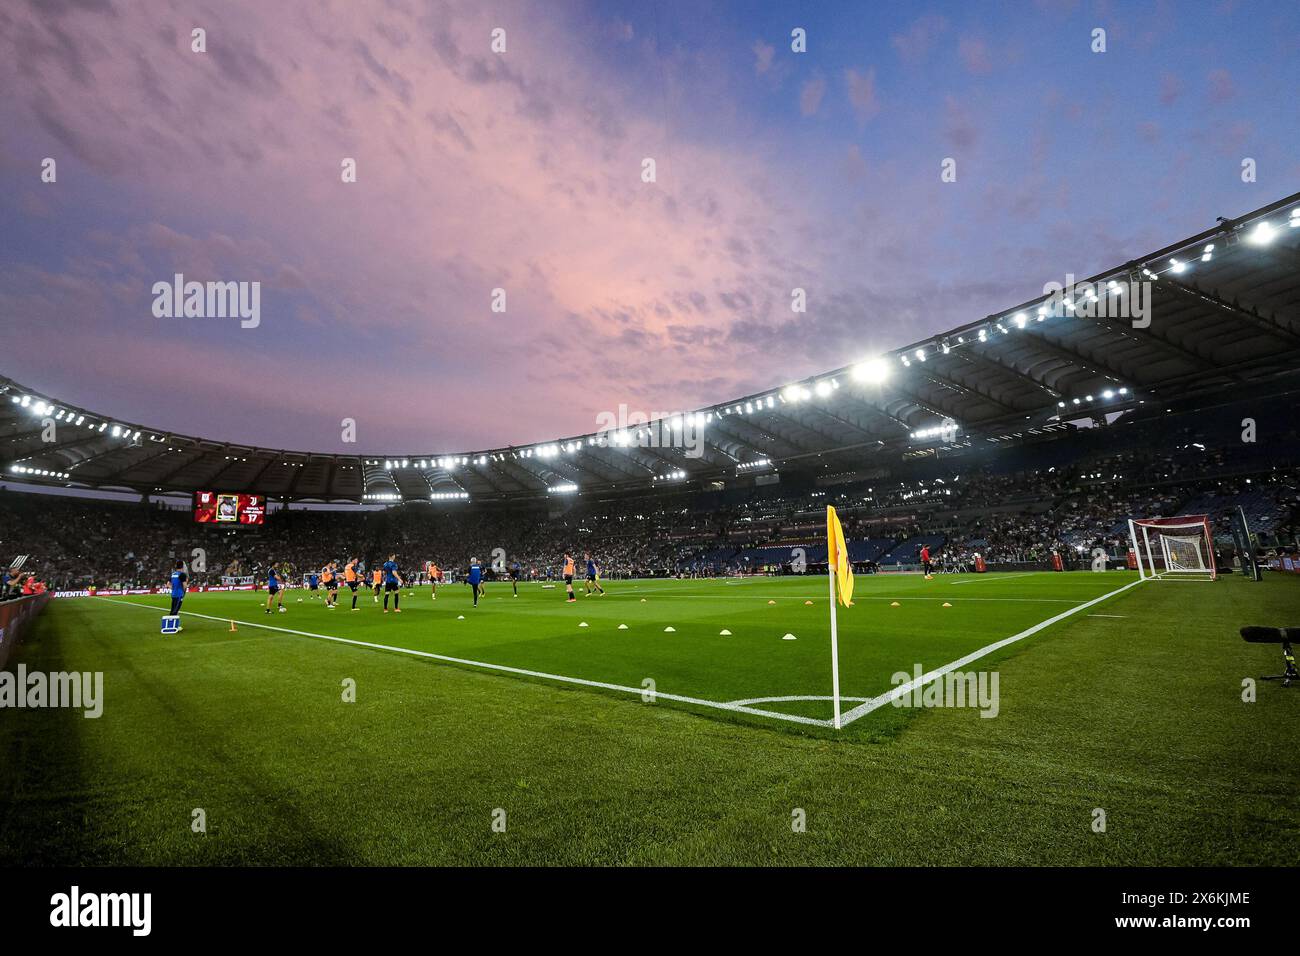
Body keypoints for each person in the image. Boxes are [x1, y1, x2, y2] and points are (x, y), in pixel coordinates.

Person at [168, 559, 187, 630]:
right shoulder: (182, 574)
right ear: (182, 567)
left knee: (173, 609)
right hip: (179, 595)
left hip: (173, 594)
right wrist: (183, 590)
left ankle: (171, 624)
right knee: (175, 610)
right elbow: (185, 586)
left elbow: (168, 584)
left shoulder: (173, 574)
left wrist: (174, 588)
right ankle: (174, 626)